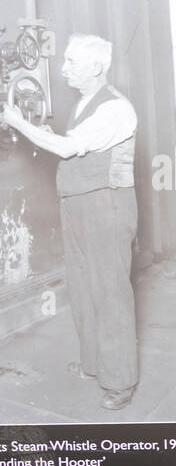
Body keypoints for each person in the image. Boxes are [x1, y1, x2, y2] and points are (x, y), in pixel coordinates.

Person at [3, 33, 140, 409]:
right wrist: (47, 133)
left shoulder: (115, 108)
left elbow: (68, 147)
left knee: (110, 293)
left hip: (106, 207)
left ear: (95, 67)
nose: (62, 69)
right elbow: (75, 142)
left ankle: (120, 381)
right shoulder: (85, 103)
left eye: (70, 62)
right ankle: (95, 364)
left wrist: (16, 121)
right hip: (79, 205)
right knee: (82, 288)